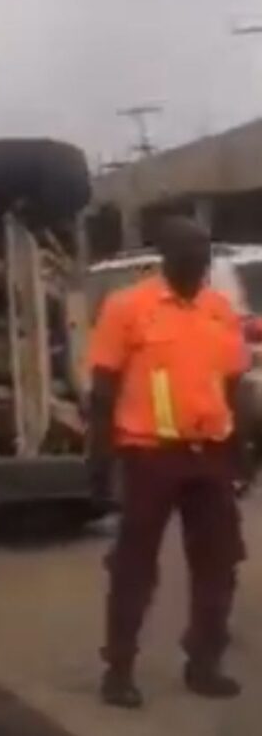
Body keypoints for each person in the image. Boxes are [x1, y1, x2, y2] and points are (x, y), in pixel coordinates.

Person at [86, 216, 252, 709]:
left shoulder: (220, 311)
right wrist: (99, 457)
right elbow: (102, 388)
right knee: (134, 566)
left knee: (220, 563)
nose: (199, 263)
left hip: (210, 456)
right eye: (189, 252)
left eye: (204, 254)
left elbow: (232, 385)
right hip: (149, 456)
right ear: (166, 255)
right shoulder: (127, 308)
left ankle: (204, 662)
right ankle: (119, 669)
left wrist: (242, 448)